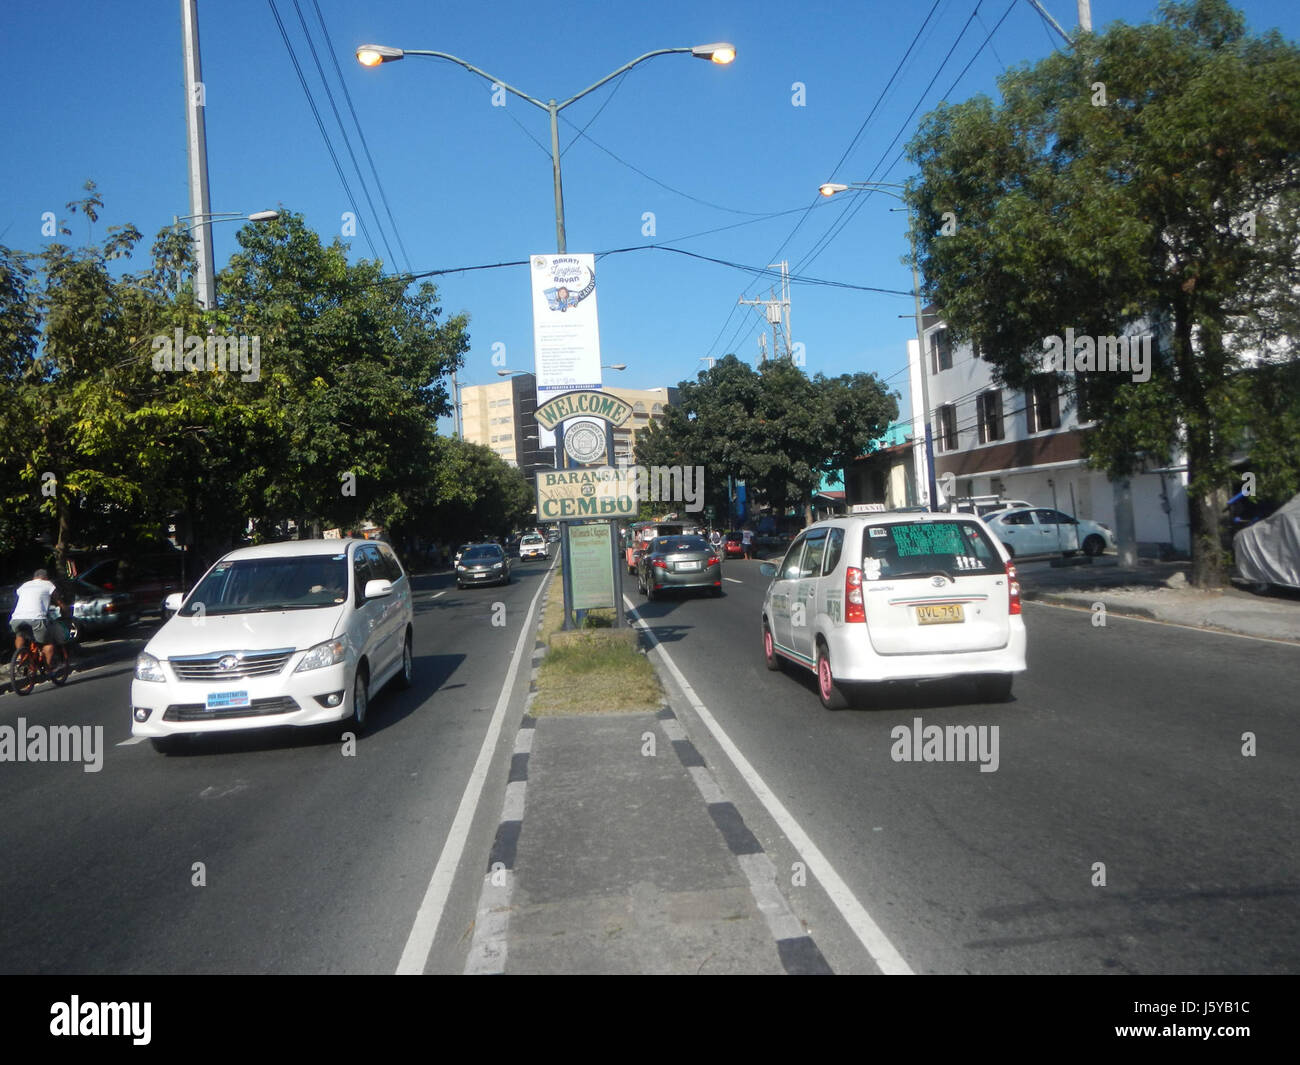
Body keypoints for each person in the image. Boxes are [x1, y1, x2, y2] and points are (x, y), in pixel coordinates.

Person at [9, 568, 66, 669]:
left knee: (20, 635)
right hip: (36, 618)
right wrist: (65, 610)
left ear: (34, 578)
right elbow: (58, 600)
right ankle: (48, 669)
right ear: (46, 577)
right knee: (48, 643)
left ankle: (20, 656)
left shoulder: (24, 585)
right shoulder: (48, 584)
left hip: (17, 618)